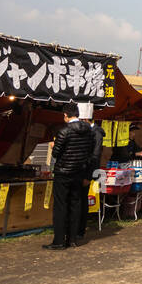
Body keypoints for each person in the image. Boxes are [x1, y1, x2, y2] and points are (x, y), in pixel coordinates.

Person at [48, 104, 98, 250]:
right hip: (79, 172)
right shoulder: (89, 131)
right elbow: (90, 152)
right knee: (75, 205)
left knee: (60, 206)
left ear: (65, 115)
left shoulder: (64, 132)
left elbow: (56, 153)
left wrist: (53, 145)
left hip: (63, 173)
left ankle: (59, 241)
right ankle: (72, 239)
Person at [75, 111, 104, 244]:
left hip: (88, 171)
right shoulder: (89, 132)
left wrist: (88, 175)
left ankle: (80, 230)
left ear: (86, 119)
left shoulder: (96, 133)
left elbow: (96, 155)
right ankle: (77, 228)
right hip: (83, 169)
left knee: (82, 201)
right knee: (79, 200)